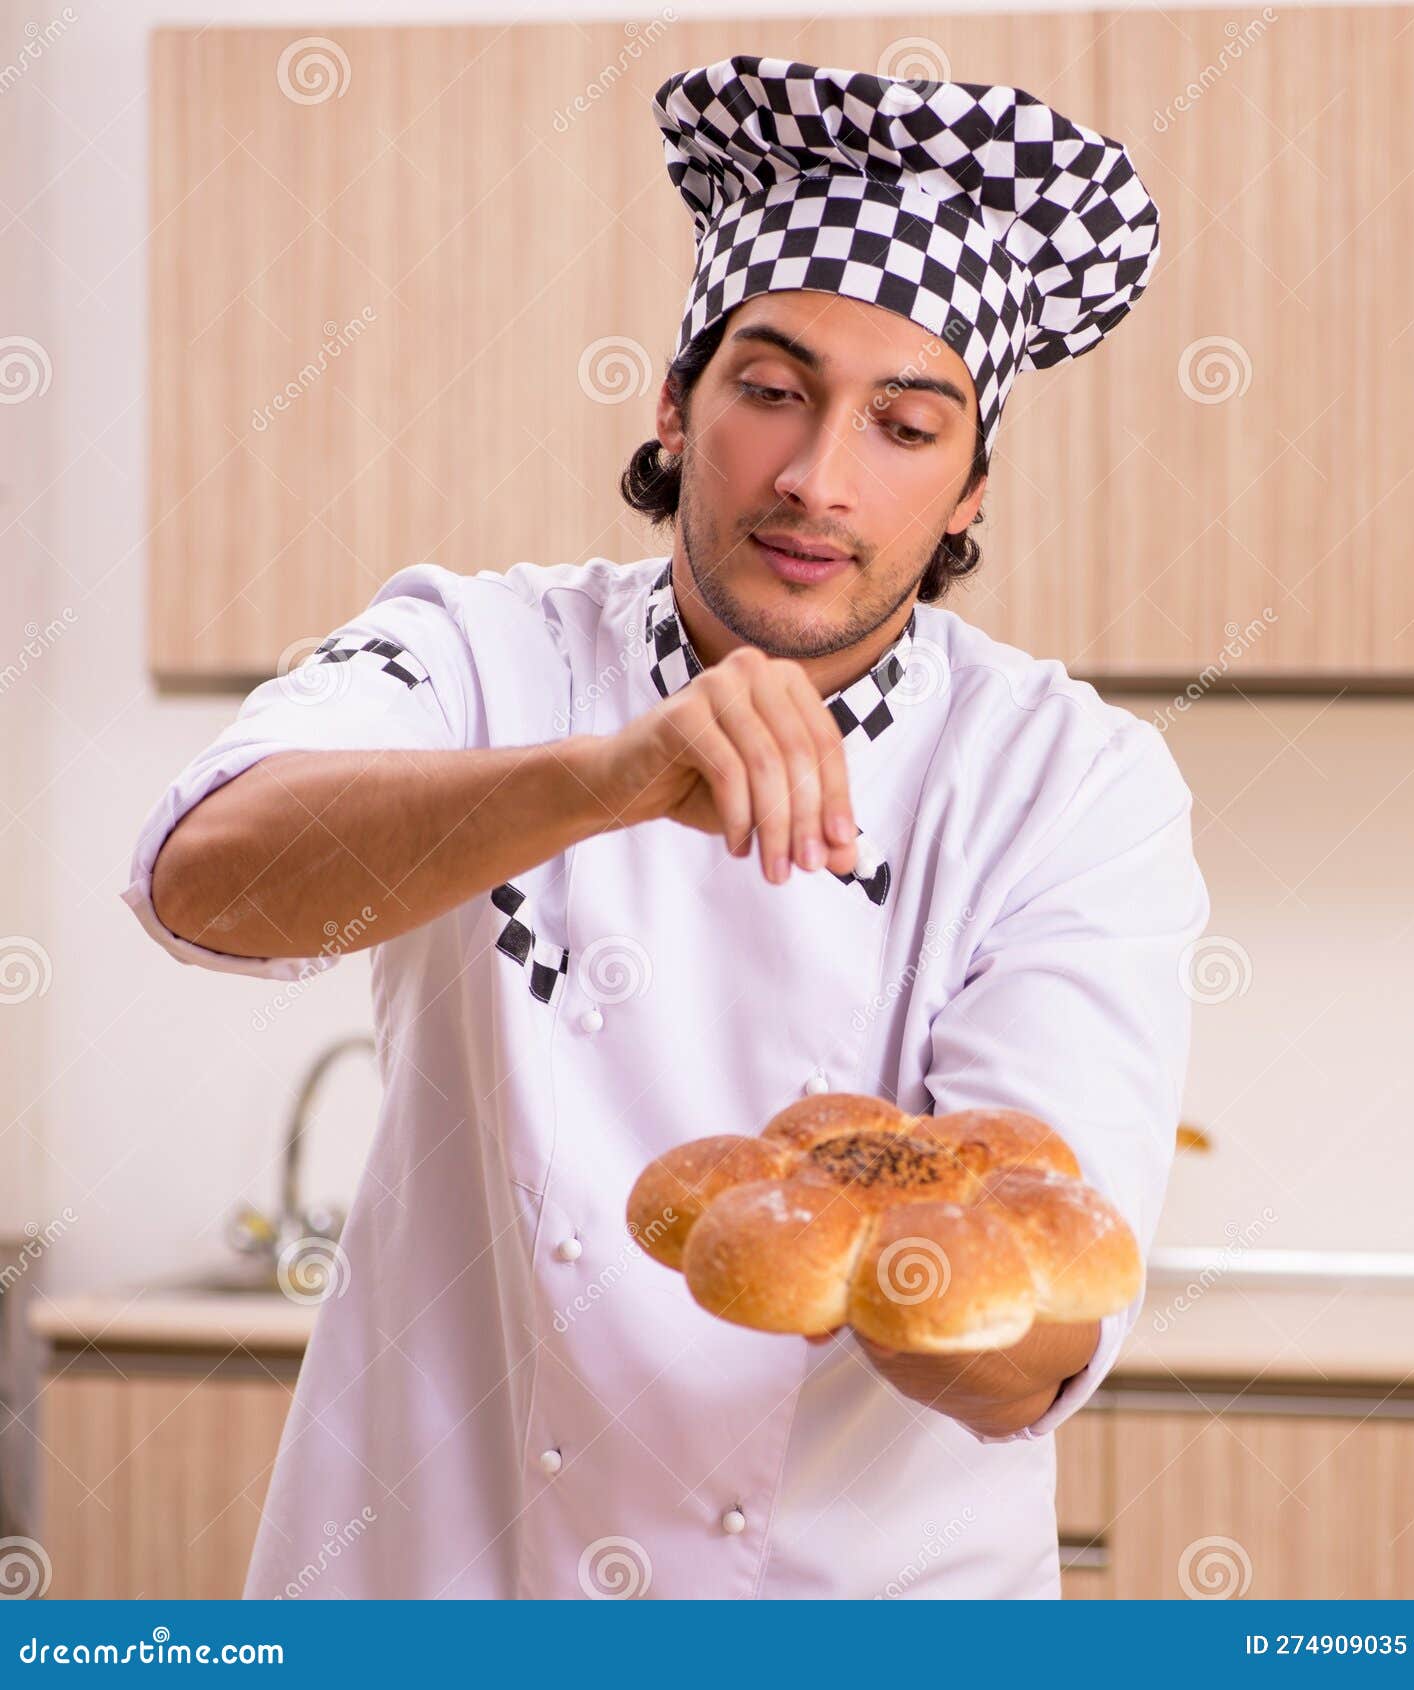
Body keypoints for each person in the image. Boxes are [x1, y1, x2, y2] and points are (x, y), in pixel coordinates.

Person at [122, 55, 1208, 1599]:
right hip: (446, 1582)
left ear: (970, 491)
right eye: (769, 392)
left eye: (905, 426)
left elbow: (1026, 1354)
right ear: (674, 405)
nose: (817, 480)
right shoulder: (476, 651)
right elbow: (203, 882)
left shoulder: (1067, 780)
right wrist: (608, 777)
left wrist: (844, 1221)